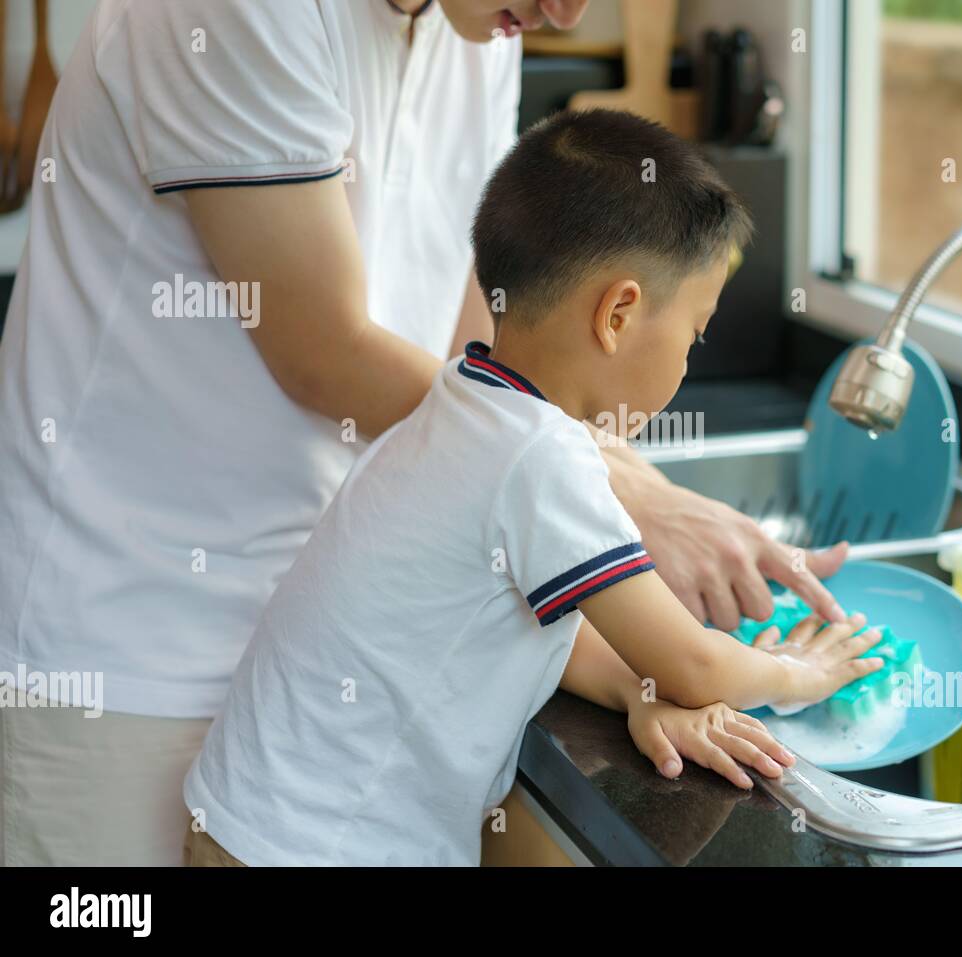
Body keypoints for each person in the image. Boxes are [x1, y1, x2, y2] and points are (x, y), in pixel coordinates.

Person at [0, 0, 845, 866]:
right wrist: (625, 501)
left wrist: (633, 648)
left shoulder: (485, 25)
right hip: (131, 641)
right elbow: (328, 354)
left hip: (327, 655)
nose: (566, 13)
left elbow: (485, 370)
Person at [182, 108, 884, 866]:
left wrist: (636, 689)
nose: (690, 359)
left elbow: (537, 618)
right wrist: (797, 673)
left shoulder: (462, 399)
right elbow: (697, 663)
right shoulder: (547, 459)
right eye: (695, 332)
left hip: (243, 820)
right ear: (618, 314)